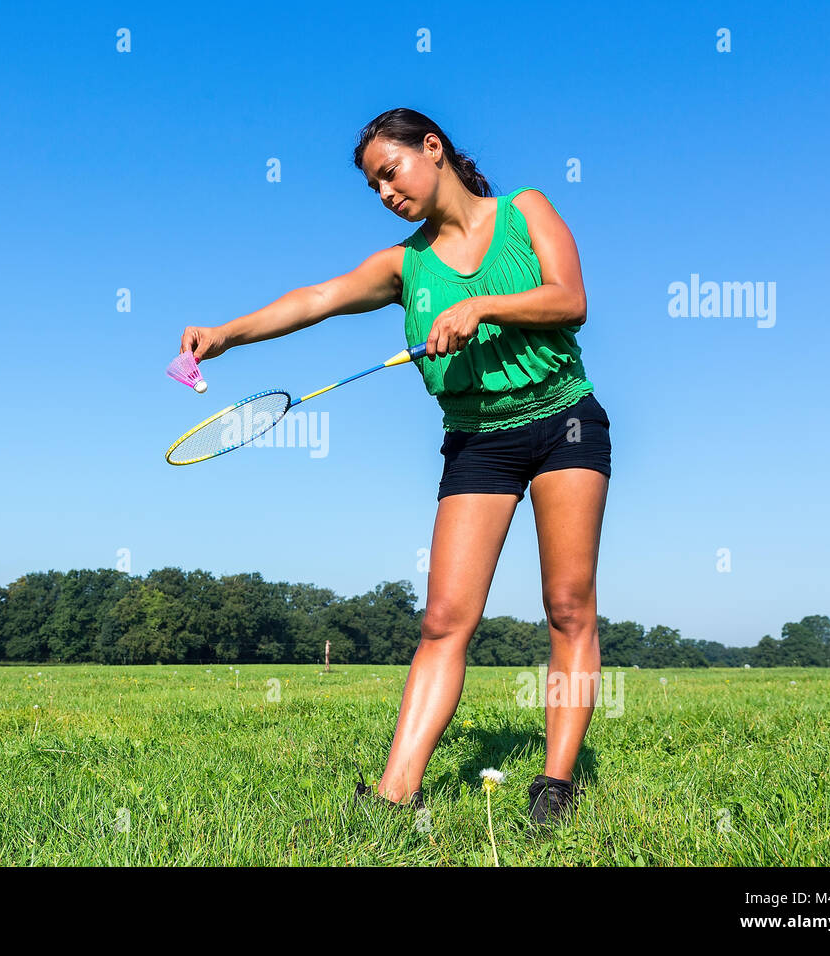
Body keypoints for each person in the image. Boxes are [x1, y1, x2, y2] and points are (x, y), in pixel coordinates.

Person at [178, 107, 611, 829]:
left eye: (391, 171)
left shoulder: (526, 210)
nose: (386, 191)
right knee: (443, 620)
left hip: (561, 419)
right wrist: (228, 333)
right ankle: (395, 792)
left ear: (433, 150)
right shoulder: (403, 264)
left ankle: (557, 782)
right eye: (374, 185)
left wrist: (483, 306)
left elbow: (571, 301)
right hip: (477, 439)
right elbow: (317, 298)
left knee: (567, 607)